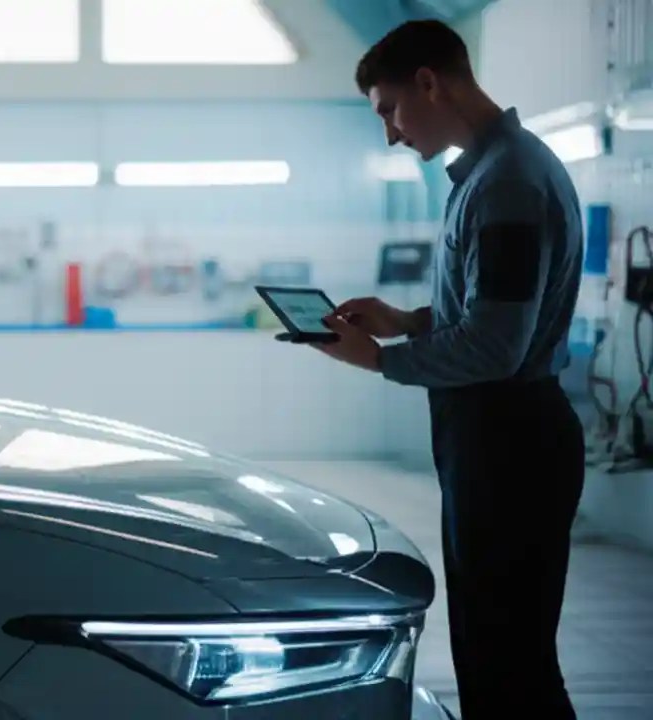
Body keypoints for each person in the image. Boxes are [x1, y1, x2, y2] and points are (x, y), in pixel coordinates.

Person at [313, 19, 586, 720]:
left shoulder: (507, 185)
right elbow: (486, 314)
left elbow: (496, 347)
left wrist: (379, 359)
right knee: (496, 653)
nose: (392, 136)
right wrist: (406, 322)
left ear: (430, 83)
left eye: (390, 110)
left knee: (509, 661)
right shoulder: (498, 173)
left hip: (509, 442)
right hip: (499, 437)